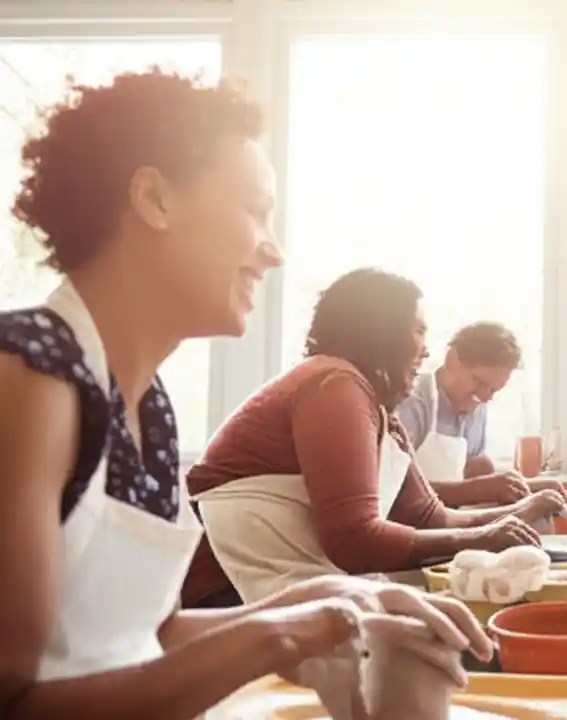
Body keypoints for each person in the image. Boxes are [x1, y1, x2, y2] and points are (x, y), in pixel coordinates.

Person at [0, 70, 489, 718]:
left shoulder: (146, 406)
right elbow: (14, 697)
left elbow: (154, 638)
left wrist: (333, 607)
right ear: (155, 198)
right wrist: (281, 634)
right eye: (255, 212)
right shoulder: (29, 376)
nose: (274, 252)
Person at [182, 269, 567, 608]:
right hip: (234, 604)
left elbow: (431, 518)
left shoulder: (371, 405)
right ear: (382, 332)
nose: (425, 349)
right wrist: (484, 537)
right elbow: (353, 540)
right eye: (417, 330)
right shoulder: (333, 385)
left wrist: (523, 512)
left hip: (307, 596)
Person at [396, 321, 563, 508]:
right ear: (452, 360)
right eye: (479, 382)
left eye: (493, 390)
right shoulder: (412, 401)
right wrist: (478, 490)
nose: (484, 397)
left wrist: (531, 488)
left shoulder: (477, 406)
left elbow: (477, 472)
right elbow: (394, 491)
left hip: (445, 524)